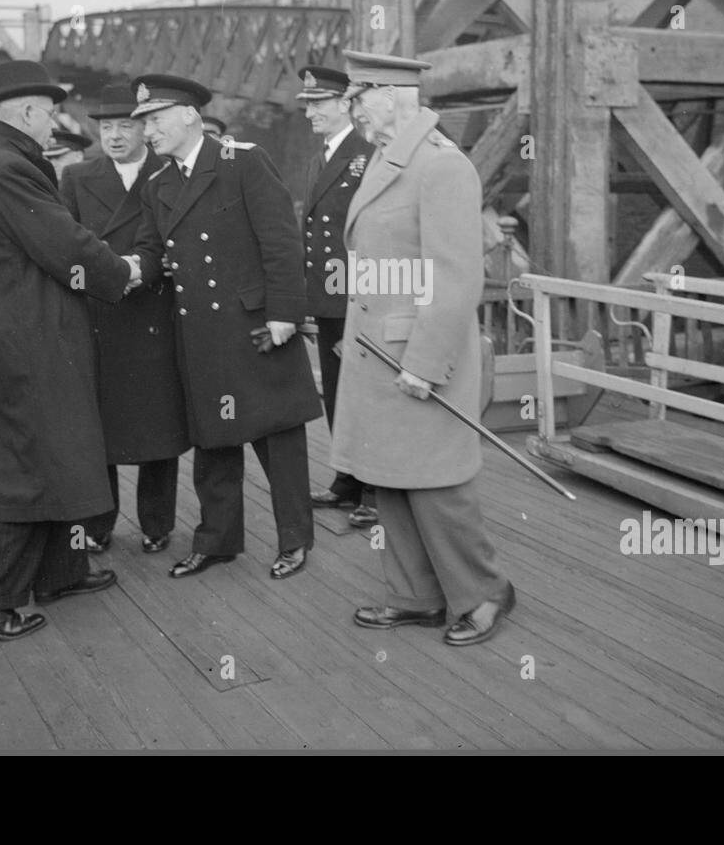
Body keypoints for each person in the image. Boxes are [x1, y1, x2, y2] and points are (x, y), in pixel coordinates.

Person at [0, 60, 138, 641]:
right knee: (24, 468)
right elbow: (67, 245)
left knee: (56, 451)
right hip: (26, 342)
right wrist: (123, 269)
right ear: (28, 111)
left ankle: (60, 571)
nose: (57, 122)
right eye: (52, 112)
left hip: (11, 335)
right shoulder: (10, 169)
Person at [331, 50, 514, 646]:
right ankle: (418, 595)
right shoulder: (387, 159)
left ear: (391, 94)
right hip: (379, 348)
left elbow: (457, 277)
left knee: (439, 484)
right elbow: (385, 264)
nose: (351, 109)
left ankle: (484, 592)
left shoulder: (442, 167)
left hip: (418, 355)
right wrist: (355, 329)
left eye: (357, 97)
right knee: (391, 477)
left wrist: (426, 364)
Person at [130, 73, 320, 581]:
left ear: (190, 114)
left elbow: (281, 243)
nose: (147, 132)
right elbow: (152, 252)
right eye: (143, 122)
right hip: (201, 334)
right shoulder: (158, 184)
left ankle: (295, 539)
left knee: (279, 438)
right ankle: (216, 541)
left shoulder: (244, 161)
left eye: (155, 119)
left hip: (257, 325)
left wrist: (285, 315)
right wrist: (123, 270)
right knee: (214, 442)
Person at [60, 83, 188, 554]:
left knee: (159, 426)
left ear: (144, 127)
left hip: (154, 310)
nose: (114, 136)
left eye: (126, 126)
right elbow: (69, 242)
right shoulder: (76, 177)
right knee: (101, 430)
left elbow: (174, 239)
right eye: (106, 127)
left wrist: (141, 269)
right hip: (101, 314)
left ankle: (157, 524)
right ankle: (98, 525)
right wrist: (112, 274)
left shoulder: (169, 171)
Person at [295, 65, 378, 527]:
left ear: (347, 103)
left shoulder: (367, 154)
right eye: (307, 103)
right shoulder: (320, 159)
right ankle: (347, 479)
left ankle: (375, 488)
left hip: (359, 296)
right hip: (329, 299)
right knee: (338, 392)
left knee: (363, 392)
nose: (310, 112)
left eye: (319, 103)